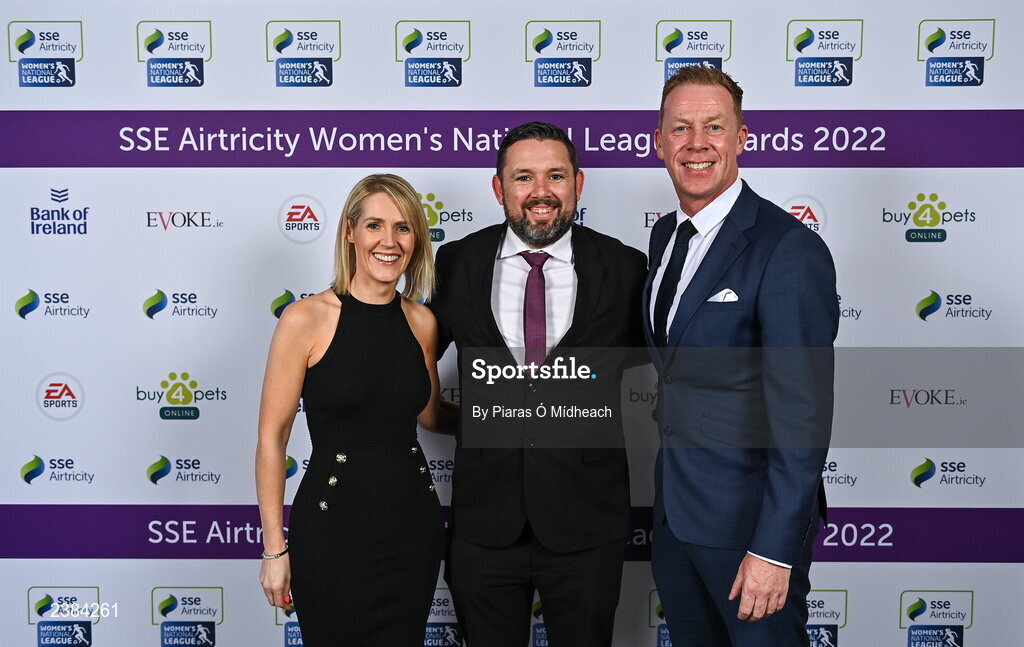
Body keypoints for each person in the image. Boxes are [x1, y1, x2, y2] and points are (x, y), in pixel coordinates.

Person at [430, 121, 647, 647]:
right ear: (499, 188)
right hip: (485, 521)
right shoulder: (456, 262)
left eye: (555, 176)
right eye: (523, 177)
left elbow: (679, 368)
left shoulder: (626, 267)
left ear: (578, 182)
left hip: (587, 521)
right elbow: (407, 364)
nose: (541, 192)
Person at [645, 66, 838, 646]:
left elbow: (803, 416)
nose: (696, 143)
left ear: (742, 138)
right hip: (676, 521)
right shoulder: (664, 237)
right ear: (659, 142)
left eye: (714, 126)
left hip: (750, 530)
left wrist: (774, 550)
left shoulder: (788, 248)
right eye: (680, 128)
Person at [256, 174, 455, 646]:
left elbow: (429, 416)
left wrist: (518, 415)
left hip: (412, 533)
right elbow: (272, 438)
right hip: (331, 532)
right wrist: (273, 549)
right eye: (375, 226)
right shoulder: (304, 318)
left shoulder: (422, 321)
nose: (390, 242)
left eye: (404, 228)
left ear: (417, 240)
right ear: (350, 232)